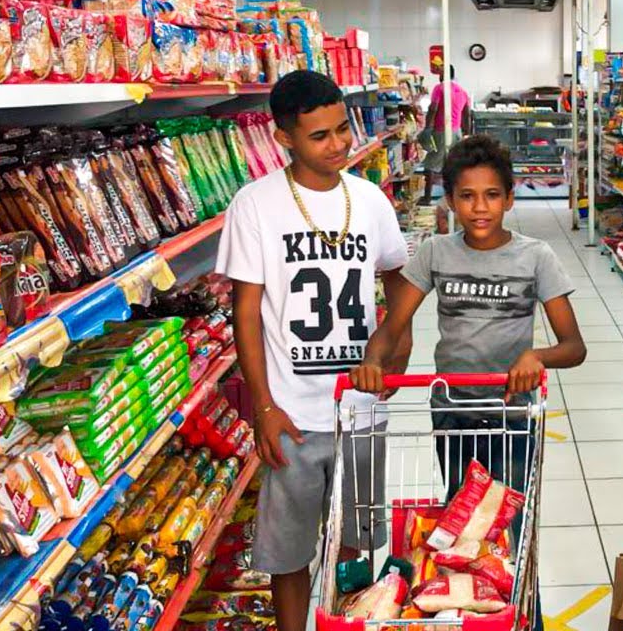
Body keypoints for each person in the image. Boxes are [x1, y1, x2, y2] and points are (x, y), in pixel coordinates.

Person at [352, 134, 586, 629]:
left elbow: (573, 346)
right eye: (466, 196)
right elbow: (393, 327)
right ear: (450, 199)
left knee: (512, 529)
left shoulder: (536, 256)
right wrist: (375, 361)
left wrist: (535, 356)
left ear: (510, 196)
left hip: (513, 415)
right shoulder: (435, 253)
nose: (480, 208)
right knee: (461, 528)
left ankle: (525, 618)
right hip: (453, 411)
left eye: (492, 195)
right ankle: (472, 615)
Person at [219, 70, 415, 631]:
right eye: (319, 136)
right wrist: (263, 407)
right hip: (294, 414)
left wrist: (397, 352)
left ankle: (341, 620)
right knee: (288, 552)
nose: (337, 145)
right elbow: (246, 312)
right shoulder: (255, 205)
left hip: (362, 407)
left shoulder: (371, 199)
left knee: (354, 543)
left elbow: (401, 284)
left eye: (342, 129)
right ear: (284, 138)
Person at [419, 64, 474, 211]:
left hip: (440, 130)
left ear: (445, 74)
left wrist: (427, 128)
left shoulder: (440, 88)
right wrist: (467, 134)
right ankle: (455, 196)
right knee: (453, 165)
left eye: (441, 72)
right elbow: (467, 114)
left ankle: (427, 197)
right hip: (456, 131)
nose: (439, 74)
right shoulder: (462, 91)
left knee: (430, 163)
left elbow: (433, 108)